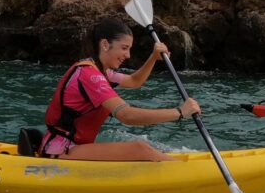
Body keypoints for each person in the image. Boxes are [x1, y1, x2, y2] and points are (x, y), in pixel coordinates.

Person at [39, 17, 200, 161]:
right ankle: (191, 174)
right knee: (140, 149)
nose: (128, 55)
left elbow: (134, 81)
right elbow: (126, 115)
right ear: (105, 45)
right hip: (59, 153)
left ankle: (181, 165)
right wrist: (180, 112)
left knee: (143, 149)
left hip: (73, 149)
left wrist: (153, 58)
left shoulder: (102, 73)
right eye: (124, 48)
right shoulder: (89, 75)